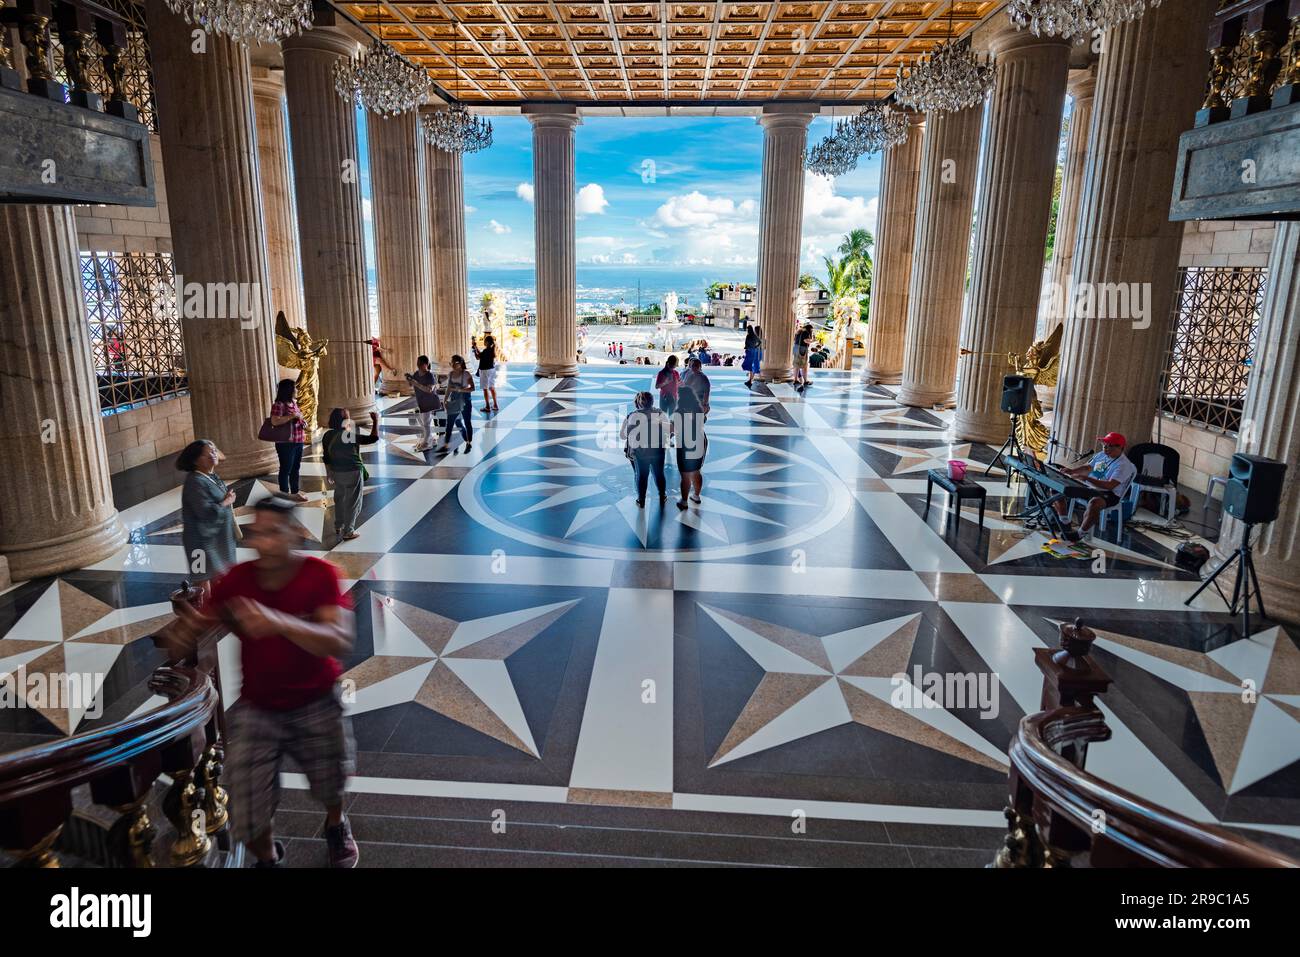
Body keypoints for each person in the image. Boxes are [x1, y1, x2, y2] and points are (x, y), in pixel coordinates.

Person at [169, 496, 358, 868]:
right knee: (249, 802)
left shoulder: (320, 576)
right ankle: (268, 857)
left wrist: (280, 622)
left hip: (316, 698)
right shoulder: (238, 580)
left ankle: (336, 823)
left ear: (295, 535)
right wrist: (187, 627)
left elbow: (339, 640)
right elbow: (197, 627)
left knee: (330, 780)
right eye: (257, 533)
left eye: (275, 532)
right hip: (258, 706)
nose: (265, 542)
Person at [1053, 431, 1138, 542]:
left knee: (1095, 503)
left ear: (1120, 447)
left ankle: (1080, 534)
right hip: (1090, 487)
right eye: (1104, 445)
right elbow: (1088, 467)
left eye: (1109, 446)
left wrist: (1087, 478)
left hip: (1110, 494)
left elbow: (1110, 485)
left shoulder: (1124, 465)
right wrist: (1071, 471)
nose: (1105, 448)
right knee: (1057, 487)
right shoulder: (1102, 455)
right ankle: (1064, 522)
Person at [177, 439, 238, 586]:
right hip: (200, 543)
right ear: (195, 460)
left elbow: (221, 456)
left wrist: (211, 447)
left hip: (218, 538)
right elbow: (205, 512)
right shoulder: (195, 482)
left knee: (221, 578)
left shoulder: (210, 476)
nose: (213, 455)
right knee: (202, 582)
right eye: (207, 454)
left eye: (214, 451)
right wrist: (226, 502)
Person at [322, 408, 380, 541]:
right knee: (353, 502)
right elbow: (373, 438)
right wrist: (376, 421)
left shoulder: (327, 436)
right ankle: (349, 531)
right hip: (353, 472)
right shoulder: (349, 436)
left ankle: (338, 525)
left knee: (340, 499)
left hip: (337, 472)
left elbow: (326, 457)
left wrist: (329, 473)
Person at [621, 391, 671, 508]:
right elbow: (669, 430)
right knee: (659, 474)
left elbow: (623, 436)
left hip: (640, 452)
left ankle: (641, 500)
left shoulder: (631, 416)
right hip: (658, 449)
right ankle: (662, 496)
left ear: (637, 403)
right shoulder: (660, 414)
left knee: (641, 475)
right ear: (652, 401)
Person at [269, 379, 308, 502]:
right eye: (294, 388)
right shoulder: (279, 405)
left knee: (295, 468)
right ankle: (284, 496)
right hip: (286, 443)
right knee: (286, 469)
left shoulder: (294, 403)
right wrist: (292, 416)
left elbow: (297, 418)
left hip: (298, 440)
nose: (296, 390)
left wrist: (303, 421)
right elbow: (274, 421)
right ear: (288, 390)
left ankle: (295, 492)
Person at [673, 385, 708, 510]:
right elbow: (703, 421)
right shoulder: (698, 409)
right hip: (699, 440)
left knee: (685, 475)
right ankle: (696, 496)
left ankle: (684, 501)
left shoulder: (679, 412)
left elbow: (674, 429)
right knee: (696, 470)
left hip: (685, 443)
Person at [440, 354, 474, 452]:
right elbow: (449, 388)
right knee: (450, 422)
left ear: (460, 363)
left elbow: (472, 388)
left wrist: (461, 390)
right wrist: (445, 399)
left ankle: (469, 443)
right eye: (452, 363)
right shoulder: (450, 374)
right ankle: (446, 445)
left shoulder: (466, 374)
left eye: (455, 363)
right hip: (454, 401)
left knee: (467, 422)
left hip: (465, 400)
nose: (453, 365)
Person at [406, 355, 440, 452]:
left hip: (430, 401)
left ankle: (426, 443)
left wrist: (415, 383)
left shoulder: (430, 375)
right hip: (421, 401)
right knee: (423, 421)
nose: (418, 365)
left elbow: (429, 389)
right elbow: (411, 384)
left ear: (426, 364)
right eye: (418, 363)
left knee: (426, 423)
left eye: (420, 363)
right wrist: (409, 379)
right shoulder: (416, 373)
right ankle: (432, 440)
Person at [474, 334, 500, 414]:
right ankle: (495, 404)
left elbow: (478, 357)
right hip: (491, 370)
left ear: (487, 342)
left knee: (485, 389)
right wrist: (476, 348)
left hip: (484, 371)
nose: (484, 342)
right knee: (492, 387)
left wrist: (475, 350)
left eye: (485, 341)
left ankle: (488, 406)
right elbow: (481, 355)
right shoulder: (492, 350)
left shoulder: (486, 351)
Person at [793, 322, 814, 390]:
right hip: (802, 349)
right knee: (804, 366)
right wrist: (813, 341)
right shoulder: (806, 332)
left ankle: (795, 380)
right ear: (809, 329)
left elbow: (794, 340)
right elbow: (806, 341)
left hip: (796, 348)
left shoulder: (799, 331)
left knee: (796, 365)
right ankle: (805, 381)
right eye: (812, 330)